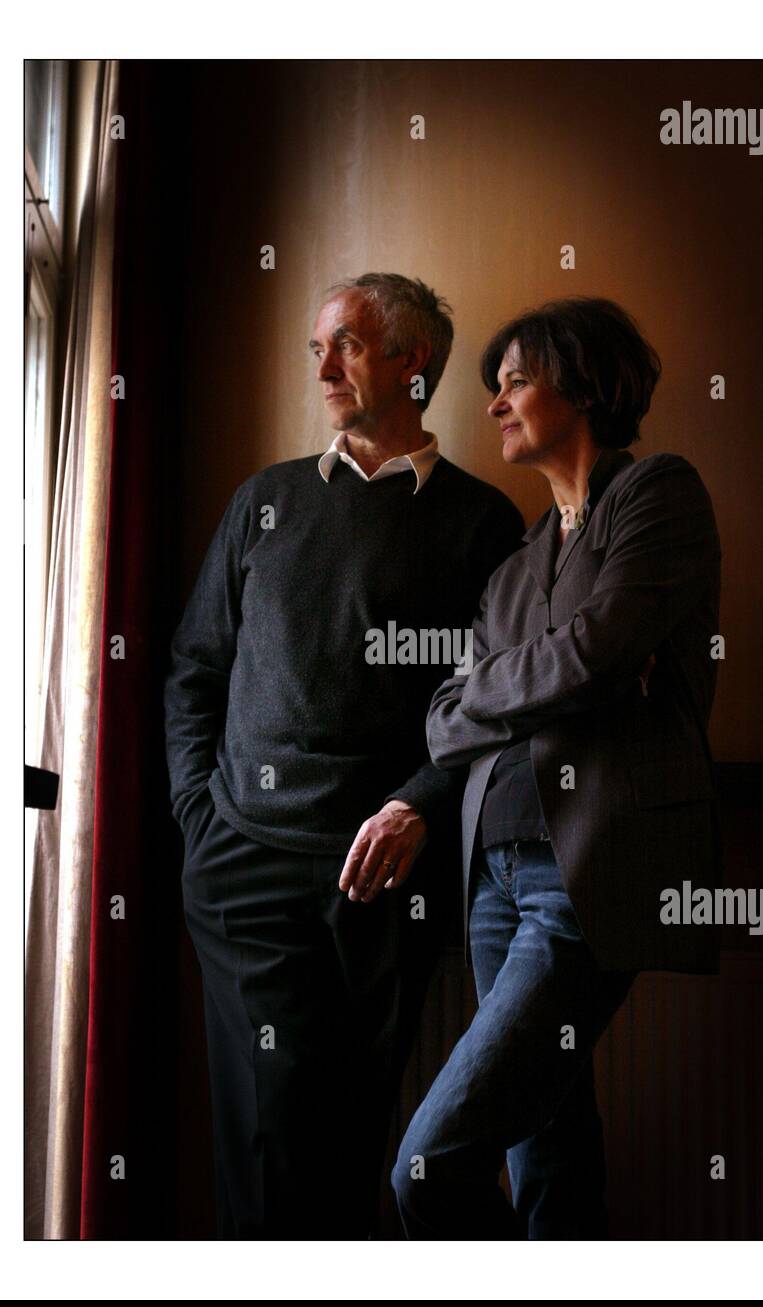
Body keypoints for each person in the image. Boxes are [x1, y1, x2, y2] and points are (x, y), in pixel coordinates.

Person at [164, 272, 524, 1238]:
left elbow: (488, 703)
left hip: (383, 880)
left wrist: (415, 803)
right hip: (245, 861)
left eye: (348, 344)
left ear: (413, 362)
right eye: (318, 346)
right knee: (266, 1132)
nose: (322, 365)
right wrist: (201, 819)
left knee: (351, 1135)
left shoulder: (483, 524)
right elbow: (194, 670)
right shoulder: (265, 502)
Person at [391, 296, 722, 1239]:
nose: (494, 404)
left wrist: (521, 681)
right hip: (489, 880)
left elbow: (598, 651)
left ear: (580, 383)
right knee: (549, 1148)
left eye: (515, 382)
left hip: (585, 872)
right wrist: (552, 677)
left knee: (428, 1166)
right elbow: (446, 720)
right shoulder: (514, 566)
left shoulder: (658, 492)